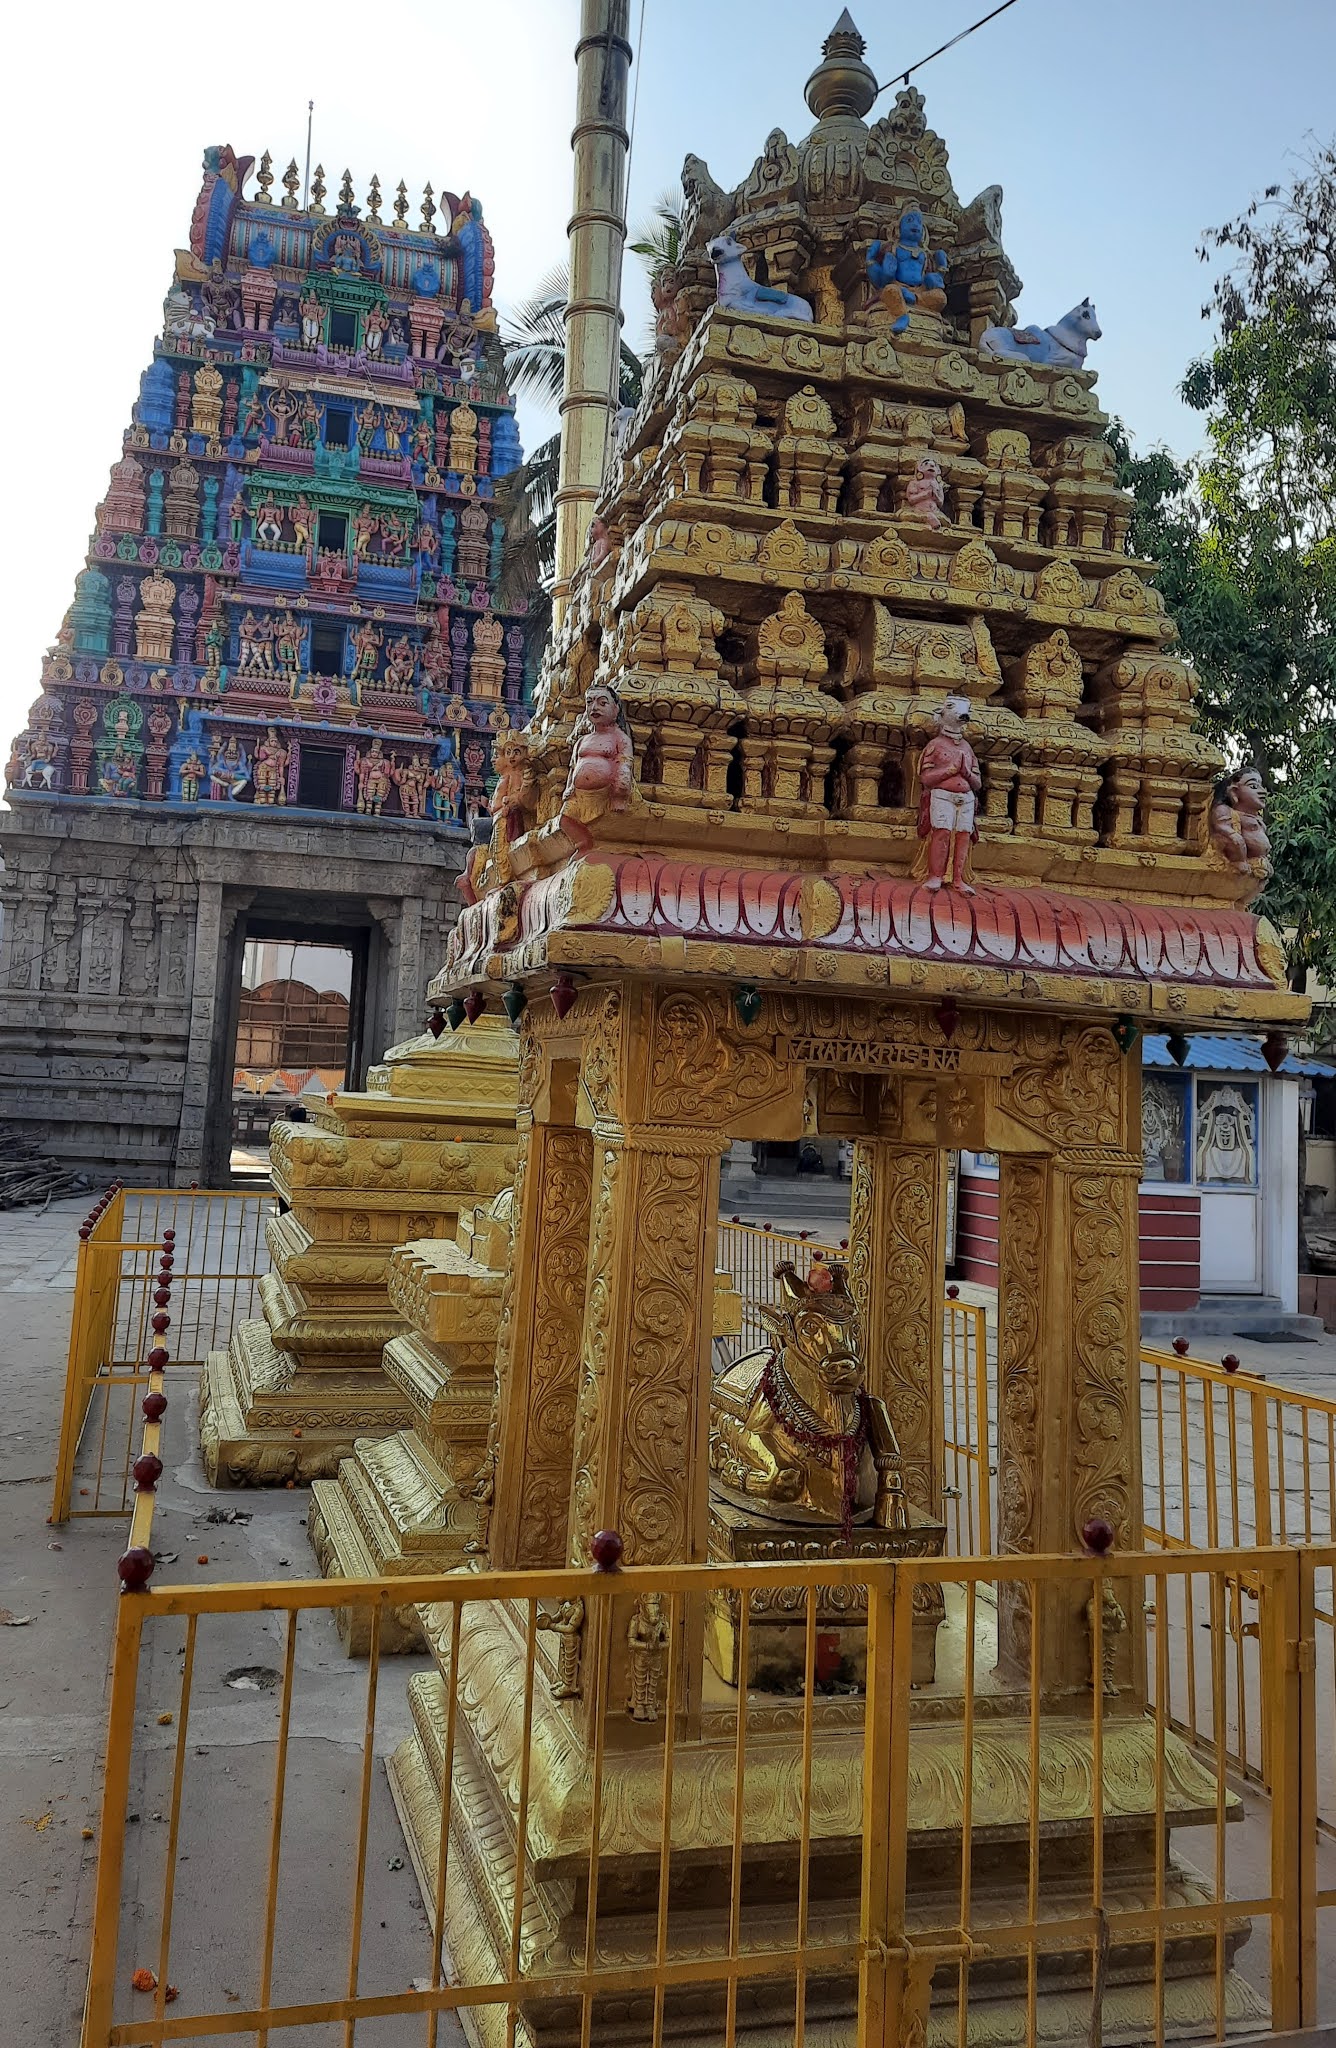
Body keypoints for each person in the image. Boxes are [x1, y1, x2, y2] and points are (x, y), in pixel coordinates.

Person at [916, 694, 981, 894]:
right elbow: (926, 778)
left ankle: (958, 879)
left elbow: (977, 783)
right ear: (941, 714)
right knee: (941, 832)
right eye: (952, 708)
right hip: (942, 795)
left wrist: (966, 772)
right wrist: (950, 771)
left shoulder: (967, 748)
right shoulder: (935, 745)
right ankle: (936, 876)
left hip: (966, 798)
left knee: (963, 836)